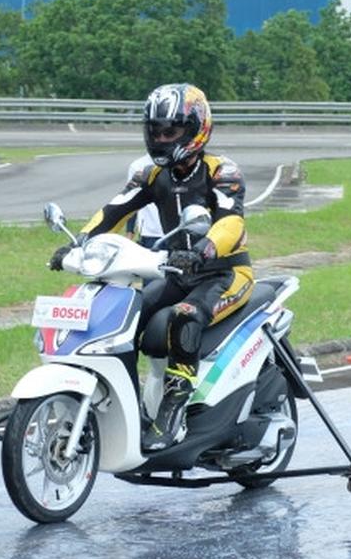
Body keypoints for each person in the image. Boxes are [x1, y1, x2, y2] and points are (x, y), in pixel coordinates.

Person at [48, 83, 254, 451]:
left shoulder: (222, 171)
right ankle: (128, 408)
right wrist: (77, 243)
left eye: (170, 131)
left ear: (196, 129)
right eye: (155, 130)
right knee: (125, 313)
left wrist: (205, 250)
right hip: (175, 272)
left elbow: (231, 221)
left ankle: (172, 414)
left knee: (185, 316)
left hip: (225, 274)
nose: (161, 138)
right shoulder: (151, 175)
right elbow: (114, 209)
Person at [125, 153, 163, 248]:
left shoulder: (178, 163)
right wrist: (129, 232)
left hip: (176, 232)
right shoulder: (137, 166)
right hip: (150, 232)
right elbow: (131, 201)